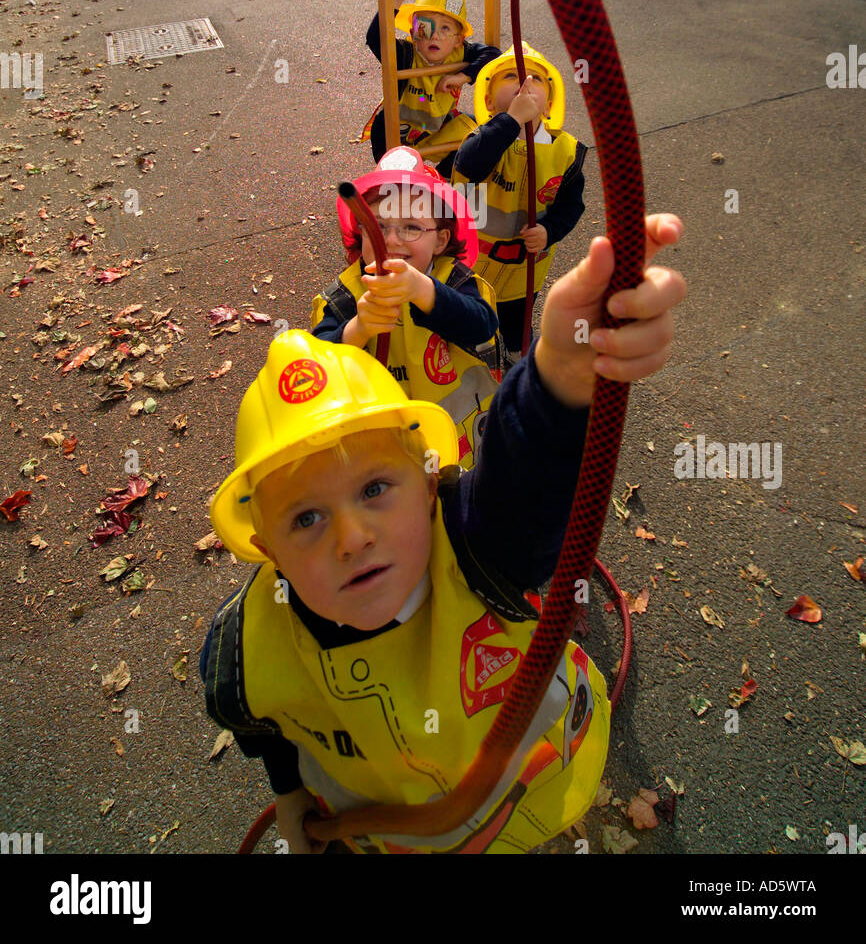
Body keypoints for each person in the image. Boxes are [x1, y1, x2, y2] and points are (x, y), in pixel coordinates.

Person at [201, 213, 686, 855]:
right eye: (306, 518)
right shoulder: (242, 649)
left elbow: (528, 485)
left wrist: (561, 377)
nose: (352, 538)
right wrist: (289, 796)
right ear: (263, 545)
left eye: (375, 490)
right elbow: (260, 723)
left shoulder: (475, 546)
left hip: (534, 806)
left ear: (431, 482)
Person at [310, 146, 501, 469]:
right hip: (377, 455)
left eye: (411, 227)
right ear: (361, 230)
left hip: (457, 446)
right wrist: (358, 329)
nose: (392, 241)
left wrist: (422, 290)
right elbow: (315, 367)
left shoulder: (452, 280)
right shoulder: (344, 297)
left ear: (440, 241)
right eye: (379, 226)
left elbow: (482, 326)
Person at [452, 42, 587, 358]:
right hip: (475, 266)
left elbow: (571, 205)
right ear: (488, 98)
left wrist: (550, 231)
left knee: (516, 327)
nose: (524, 81)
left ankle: (514, 359)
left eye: (536, 79)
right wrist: (510, 121)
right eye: (511, 76)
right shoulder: (481, 138)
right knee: (471, 322)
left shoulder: (565, 152)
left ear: (549, 102)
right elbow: (469, 165)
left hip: (525, 268)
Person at [363, 0, 501, 178]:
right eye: (426, 27)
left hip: (435, 128)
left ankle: (443, 175)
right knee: (398, 179)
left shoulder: (460, 54)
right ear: (413, 33)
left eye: (445, 28)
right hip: (395, 130)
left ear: (458, 40)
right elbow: (375, 38)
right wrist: (395, 0)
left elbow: (493, 54)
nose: (435, 35)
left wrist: (462, 76)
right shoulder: (405, 55)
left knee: (475, 131)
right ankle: (398, 183)